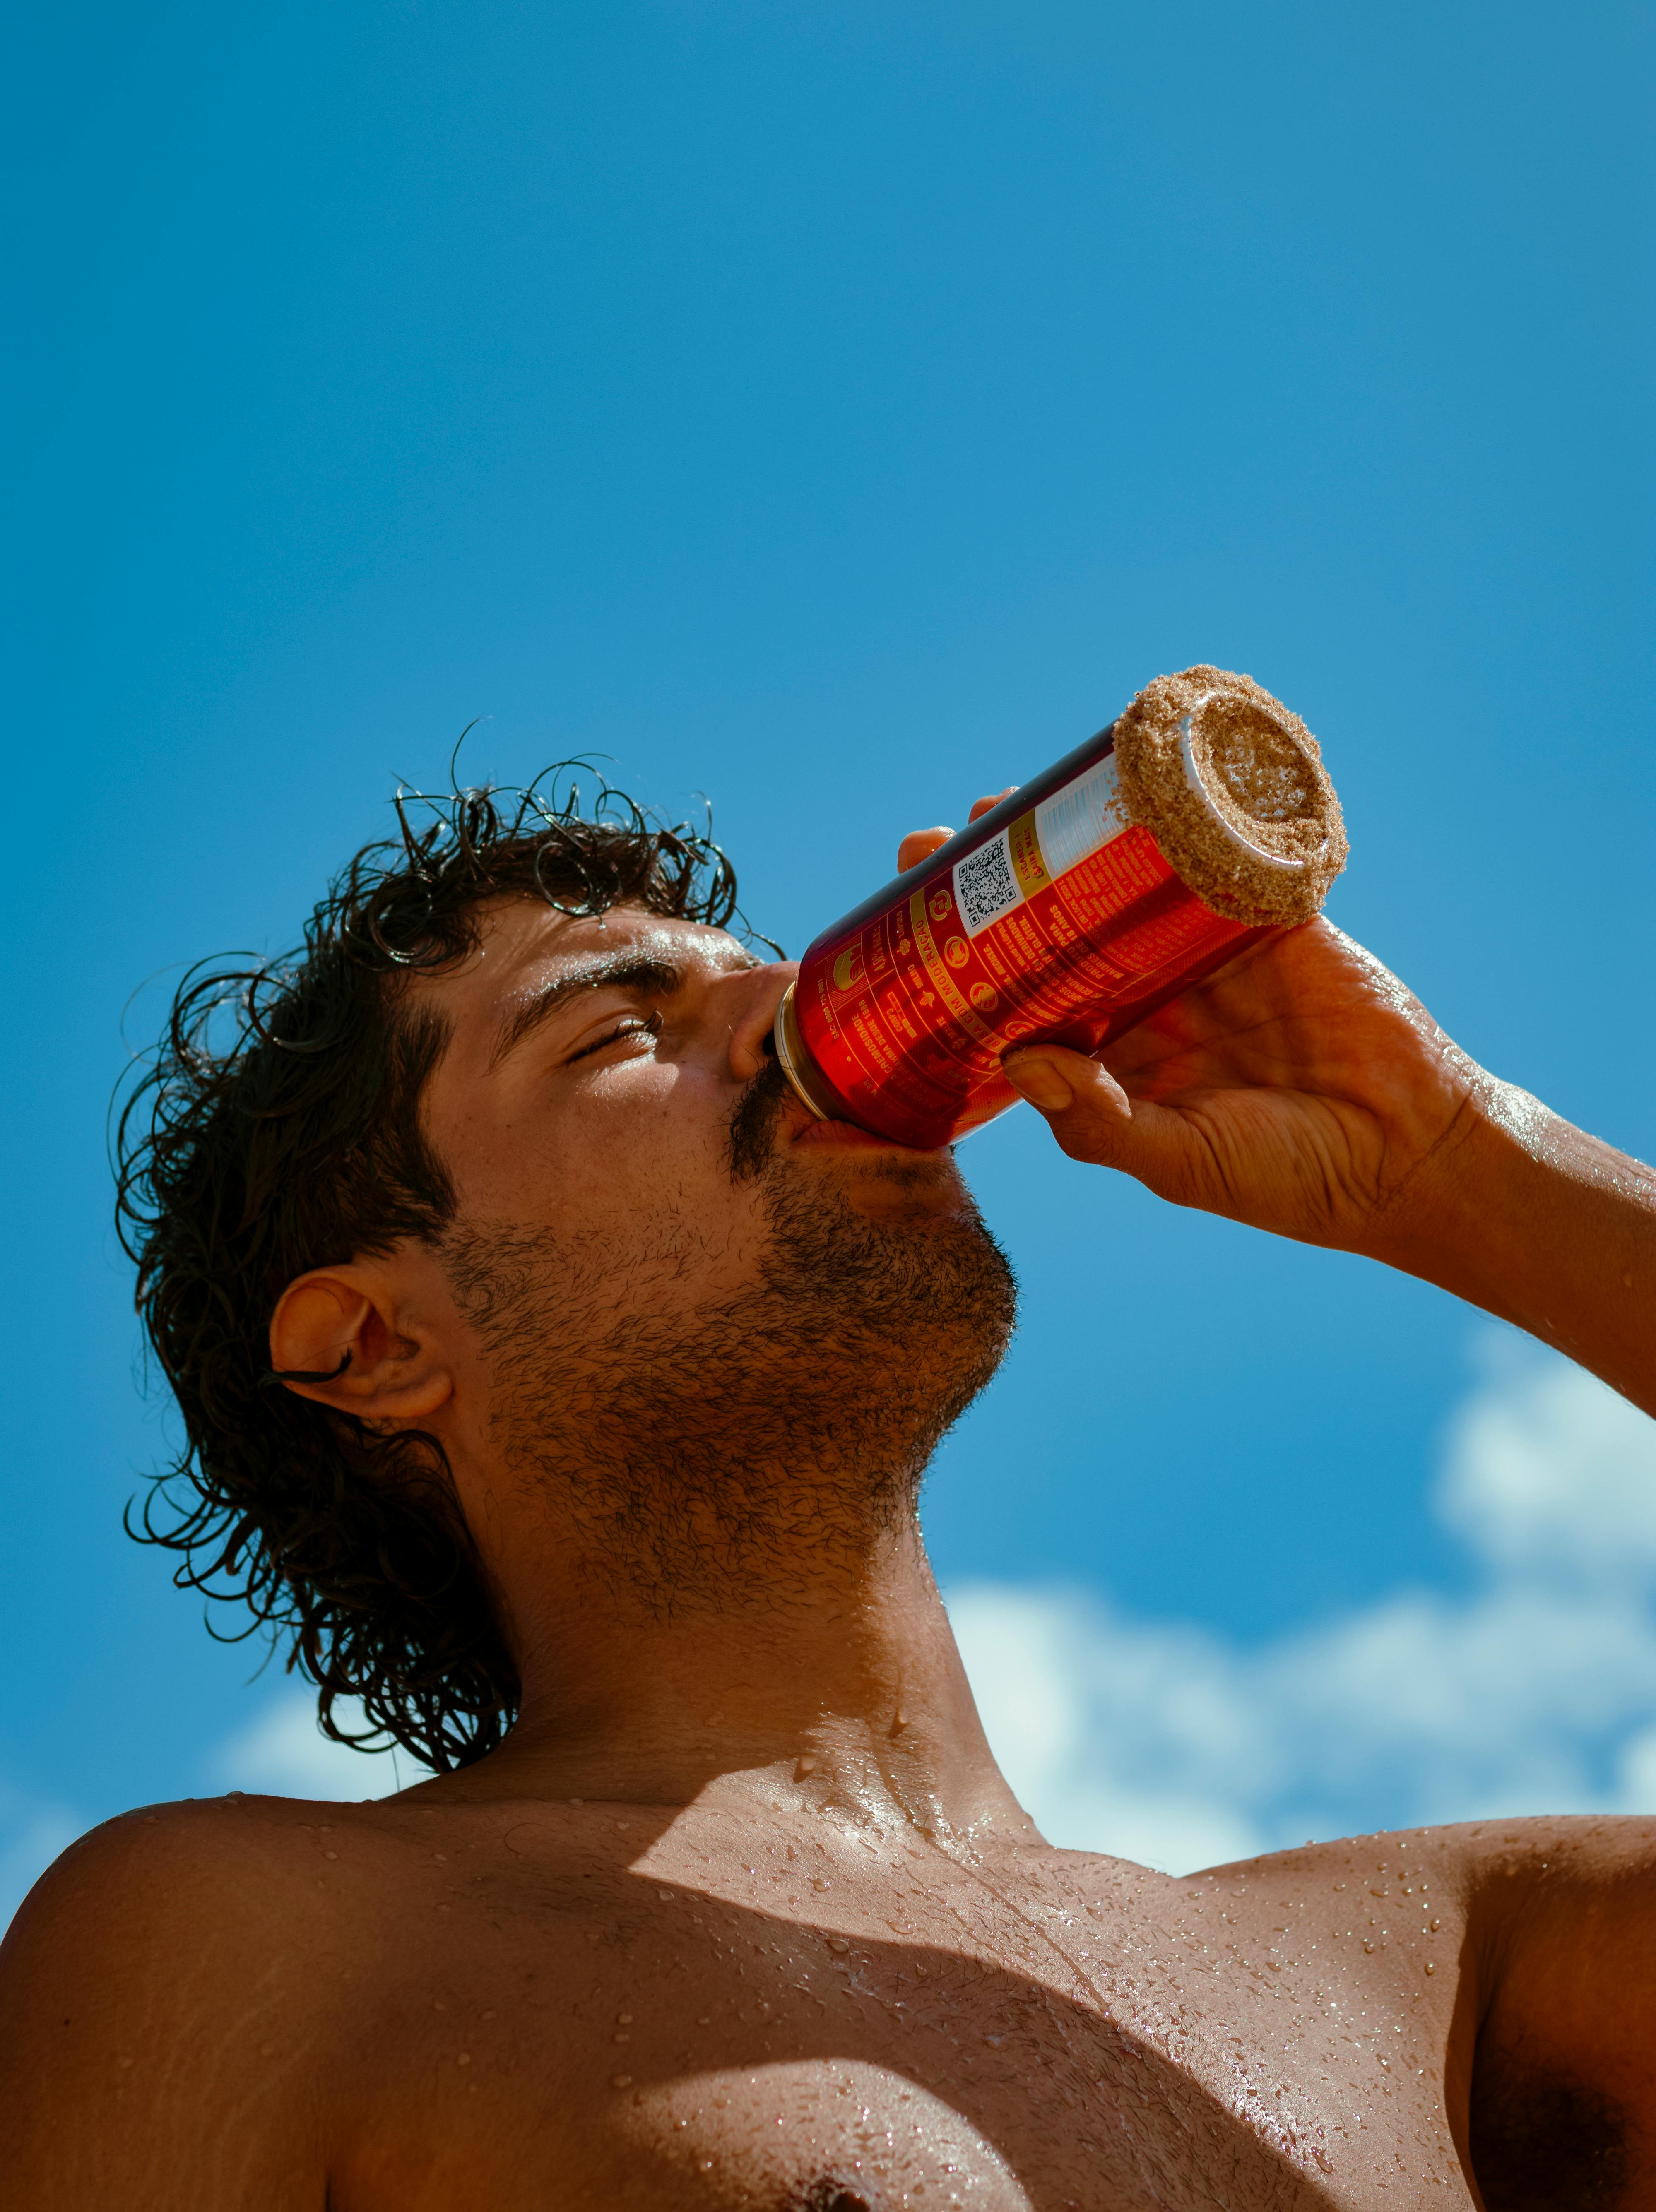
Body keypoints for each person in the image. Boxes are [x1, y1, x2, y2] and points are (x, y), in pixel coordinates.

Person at [1, 770, 1652, 2212]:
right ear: (372, 1345)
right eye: (619, 1030)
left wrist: (1453, 1162)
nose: (791, 1024)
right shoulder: (257, 1948)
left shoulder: (1435, 1975)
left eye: (778, 979)